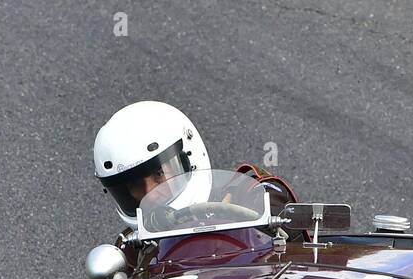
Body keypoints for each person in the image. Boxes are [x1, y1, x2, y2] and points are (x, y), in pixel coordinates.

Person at [93, 101, 297, 242]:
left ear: (189, 157)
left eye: (159, 175)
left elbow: (294, 244)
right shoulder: (134, 242)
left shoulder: (253, 195)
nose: (152, 193)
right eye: (136, 185)